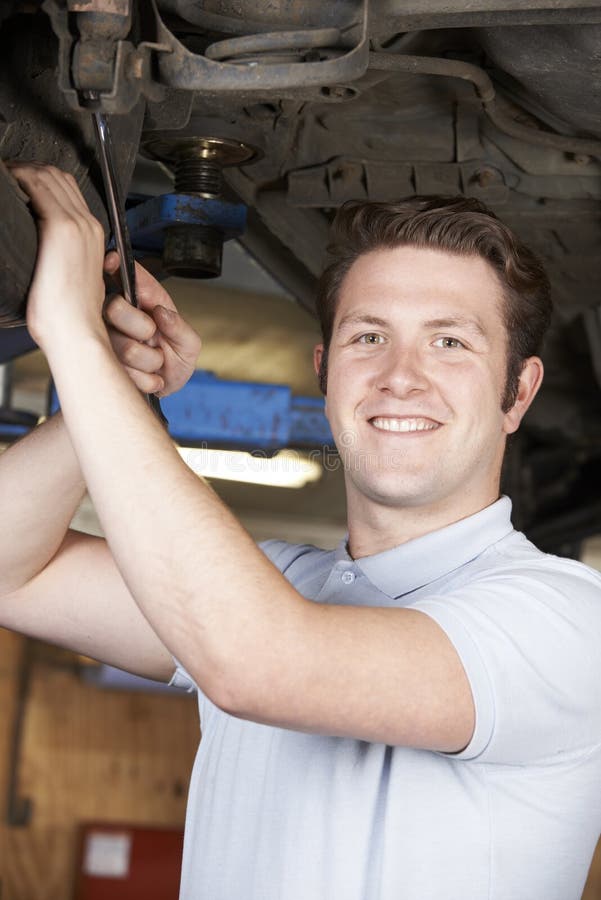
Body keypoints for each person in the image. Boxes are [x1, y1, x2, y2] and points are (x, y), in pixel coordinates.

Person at [1, 163, 601, 900]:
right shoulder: (271, 588)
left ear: (518, 392)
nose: (400, 376)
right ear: (324, 372)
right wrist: (116, 387)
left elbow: (259, 665)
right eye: (367, 337)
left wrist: (74, 339)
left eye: (450, 344)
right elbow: (10, 571)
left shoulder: (567, 620)